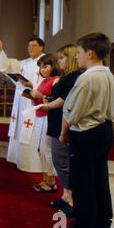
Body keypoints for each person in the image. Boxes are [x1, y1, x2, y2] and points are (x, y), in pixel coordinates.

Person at [50, 33, 114, 228]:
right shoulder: (107, 74)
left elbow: (71, 111)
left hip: (86, 134)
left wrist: (63, 132)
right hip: (104, 130)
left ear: (89, 53)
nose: (76, 57)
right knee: (99, 182)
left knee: (83, 186)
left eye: (78, 53)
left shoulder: (87, 77)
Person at [0, 36, 45, 172]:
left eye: (33, 45)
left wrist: (32, 86)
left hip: (35, 102)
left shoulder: (46, 62)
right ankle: (20, 159)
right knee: (20, 128)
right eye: (29, 46)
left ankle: (33, 164)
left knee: (31, 132)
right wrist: (0, 50)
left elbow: (49, 82)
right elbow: (6, 66)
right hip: (21, 100)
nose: (30, 48)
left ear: (41, 47)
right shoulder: (24, 63)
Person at [40, 45, 82, 217]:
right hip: (56, 122)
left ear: (71, 58)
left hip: (63, 124)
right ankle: (65, 195)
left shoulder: (75, 77)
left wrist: (47, 105)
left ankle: (72, 199)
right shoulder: (66, 77)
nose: (59, 61)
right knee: (58, 160)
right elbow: (57, 96)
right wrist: (48, 100)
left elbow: (66, 100)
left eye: (62, 58)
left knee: (63, 161)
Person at [27, 54, 61, 193]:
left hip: (49, 117)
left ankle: (51, 182)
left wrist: (40, 96)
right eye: (41, 67)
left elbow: (55, 99)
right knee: (40, 150)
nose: (42, 70)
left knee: (46, 150)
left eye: (45, 66)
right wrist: (32, 97)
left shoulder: (56, 80)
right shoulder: (44, 81)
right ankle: (45, 179)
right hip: (39, 116)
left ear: (53, 66)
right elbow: (40, 99)